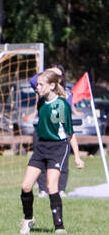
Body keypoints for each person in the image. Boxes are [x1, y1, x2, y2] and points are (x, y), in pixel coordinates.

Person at [20, 68, 84, 234]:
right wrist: (48, 71)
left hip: (58, 147)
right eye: (38, 84)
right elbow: (33, 80)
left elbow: (70, 134)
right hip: (41, 147)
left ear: (52, 85)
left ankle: (59, 227)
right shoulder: (41, 102)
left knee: (51, 186)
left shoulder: (62, 106)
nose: (37, 87)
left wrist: (77, 156)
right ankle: (28, 219)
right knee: (26, 186)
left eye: (41, 85)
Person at [29, 67, 69, 196]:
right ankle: (42, 189)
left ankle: (60, 189)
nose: (38, 87)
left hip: (58, 139)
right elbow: (33, 80)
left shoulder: (65, 95)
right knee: (39, 163)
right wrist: (45, 73)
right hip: (42, 135)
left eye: (58, 74)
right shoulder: (42, 91)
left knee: (61, 165)